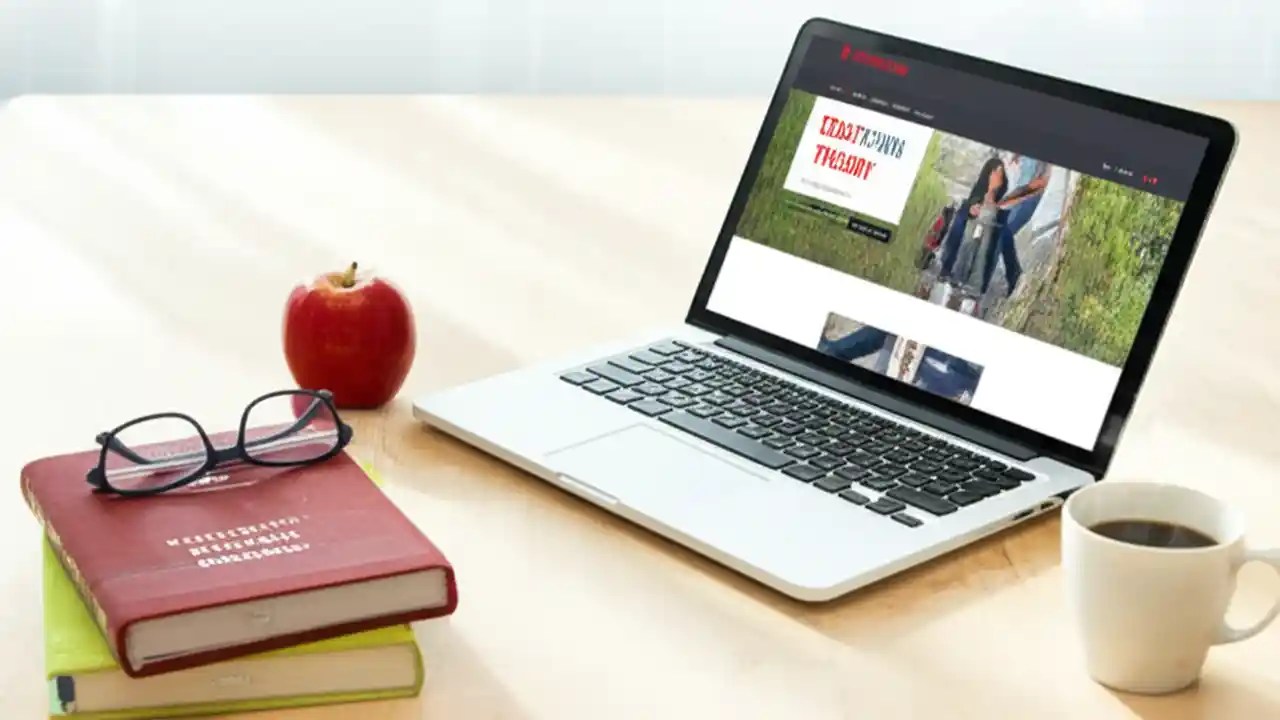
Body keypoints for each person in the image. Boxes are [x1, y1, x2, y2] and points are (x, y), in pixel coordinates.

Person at [981, 154, 1051, 296]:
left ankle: (995, 281)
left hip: (1027, 199)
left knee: (1001, 234)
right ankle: (1010, 276)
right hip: (1013, 200)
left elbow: (1043, 181)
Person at [938, 156, 1008, 281]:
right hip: (973, 214)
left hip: (989, 221)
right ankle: (947, 266)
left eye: (999, 172)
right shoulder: (981, 186)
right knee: (961, 220)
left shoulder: (1004, 192)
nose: (996, 175)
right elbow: (974, 198)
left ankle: (961, 273)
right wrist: (973, 207)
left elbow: (997, 210)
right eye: (993, 172)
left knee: (976, 241)